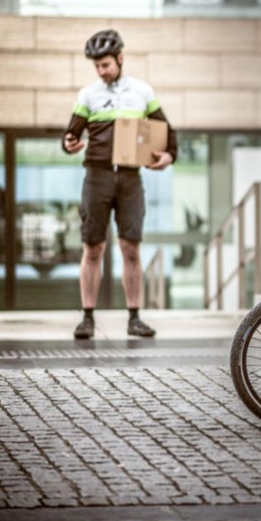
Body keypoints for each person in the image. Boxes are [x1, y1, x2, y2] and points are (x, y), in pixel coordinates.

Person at [62, 29, 177, 339]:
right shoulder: (88, 95)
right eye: (97, 66)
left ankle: (134, 318)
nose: (102, 71)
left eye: (106, 65)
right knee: (93, 248)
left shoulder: (142, 92)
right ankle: (87, 318)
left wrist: (169, 155)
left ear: (120, 58)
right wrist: (69, 143)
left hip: (129, 178)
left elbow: (166, 130)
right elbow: (71, 134)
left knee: (131, 248)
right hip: (96, 177)